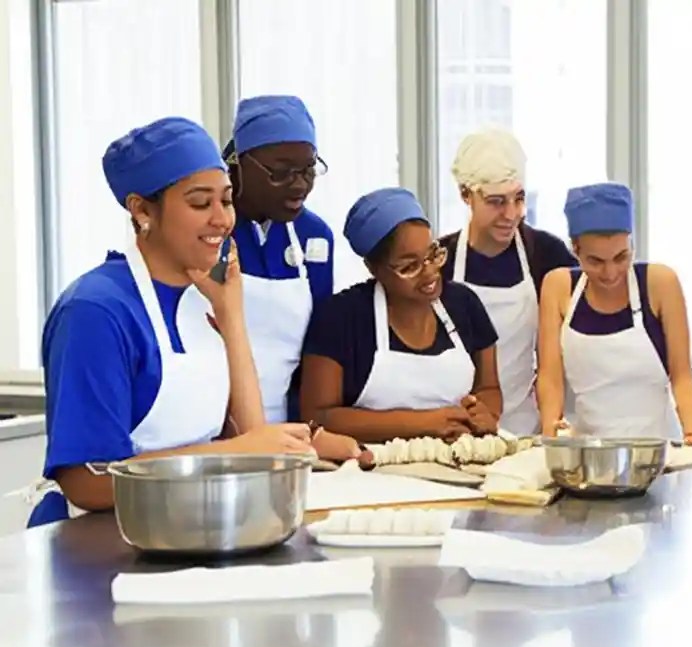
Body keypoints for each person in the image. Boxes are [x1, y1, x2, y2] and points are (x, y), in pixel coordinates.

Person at [31, 117, 319, 527]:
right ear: (142, 209)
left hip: (187, 528)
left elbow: (254, 444)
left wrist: (232, 317)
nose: (221, 219)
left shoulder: (202, 300)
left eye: (227, 200)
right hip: (97, 545)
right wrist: (237, 452)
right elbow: (87, 482)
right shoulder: (96, 313)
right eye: (201, 203)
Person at [298, 188, 502, 444]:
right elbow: (317, 416)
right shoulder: (341, 318)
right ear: (374, 269)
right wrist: (424, 423)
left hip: (459, 462)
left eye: (432, 255)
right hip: (368, 471)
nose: (429, 273)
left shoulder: (465, 305)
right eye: (409, 266)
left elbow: (489, 388)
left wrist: (486, 413)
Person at [437, 128, 577, 435]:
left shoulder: (547, 256)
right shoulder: (439, 262)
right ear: (465, 195)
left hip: (529, 430)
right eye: (497, 202)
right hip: (458, 431)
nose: (511, 214)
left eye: (519, 198)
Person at [536, 182, 692, 442]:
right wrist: (550, 434)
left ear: (631, 243)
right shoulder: (559, 287)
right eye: (596, 261)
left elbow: (682, 376)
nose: (610, 272)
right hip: (588, 450)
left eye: (621, 257)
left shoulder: (660, 283)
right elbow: (550, 379)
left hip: (661, 451)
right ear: (575, 250)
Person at [221, 96, 337, 426]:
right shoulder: (211, 234)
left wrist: (307, 431)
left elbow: (316, 348)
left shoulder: (315, 236)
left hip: (288, 428)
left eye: (308, 170)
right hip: (212, 427)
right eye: (281, 172)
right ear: (238, 164)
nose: (299, 184)